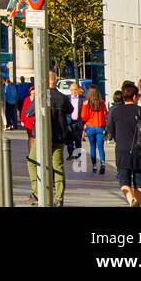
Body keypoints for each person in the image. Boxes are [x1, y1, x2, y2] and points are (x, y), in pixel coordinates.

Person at [106, 82, 141, 206]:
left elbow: (110, 132)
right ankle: (137, 204)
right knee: (139, 182)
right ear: (134, 97)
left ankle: (131, 200)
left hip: (123, 151)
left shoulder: (115, 112)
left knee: (124, 181)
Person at [25, 71, 72, 205]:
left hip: (42, 137)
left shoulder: (42, 96)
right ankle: (59, 197)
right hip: (59, 137)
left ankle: (36, 191)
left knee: (32, 162)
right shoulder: (63, 98)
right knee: (58, 166)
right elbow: (71, 110)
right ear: (55, 81)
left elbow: (29, 113)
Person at [80, 86, 108, 174]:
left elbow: (84, 117)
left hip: (90, 127)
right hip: (100, 127)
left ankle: (94, 166)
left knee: (92, 147)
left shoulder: (86, 104)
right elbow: (106, 114)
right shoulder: (102, 103)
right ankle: (103, 164)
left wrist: (84, 107)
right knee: (100, 147)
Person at [67, 82, 84, 159]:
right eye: (72, 90)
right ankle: (70, 154)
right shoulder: (67, 99)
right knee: (69, 139)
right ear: (70, 90)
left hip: (78, 121)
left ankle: (78, 154)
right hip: (70, 121)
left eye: (75, 90)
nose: (73, 91)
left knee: (78, 139)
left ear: (78, 90)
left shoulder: (82, 99)